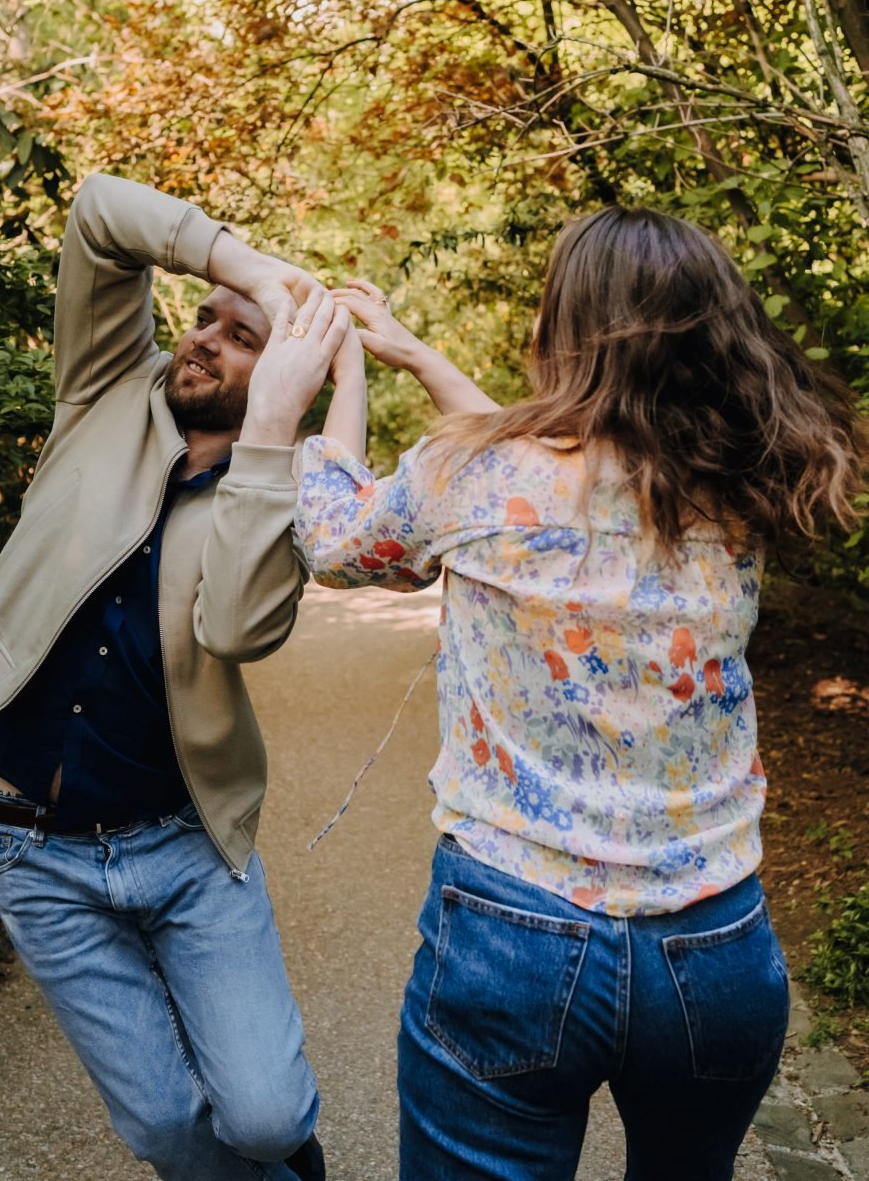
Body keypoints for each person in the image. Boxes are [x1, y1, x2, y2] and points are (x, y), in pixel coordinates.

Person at [285, 210, 865, 1181]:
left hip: (512, 938)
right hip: (715, 949)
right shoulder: (743, 481)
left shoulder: (475, 479)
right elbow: (545, 460)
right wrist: (418, 355)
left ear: (563, 323)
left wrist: (326, 399)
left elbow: (337, 545)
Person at [0, 173, 348, 1181]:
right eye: (203, 317)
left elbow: (239, 626)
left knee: (264, 1122)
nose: (202, 336)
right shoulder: (103, 396)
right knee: (168, 1132)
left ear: (287, 380)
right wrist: (252, 268)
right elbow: (96, 213)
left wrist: (268, 435)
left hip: (183, 851)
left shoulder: (283, 491)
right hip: (32, 856)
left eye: (240, 335)